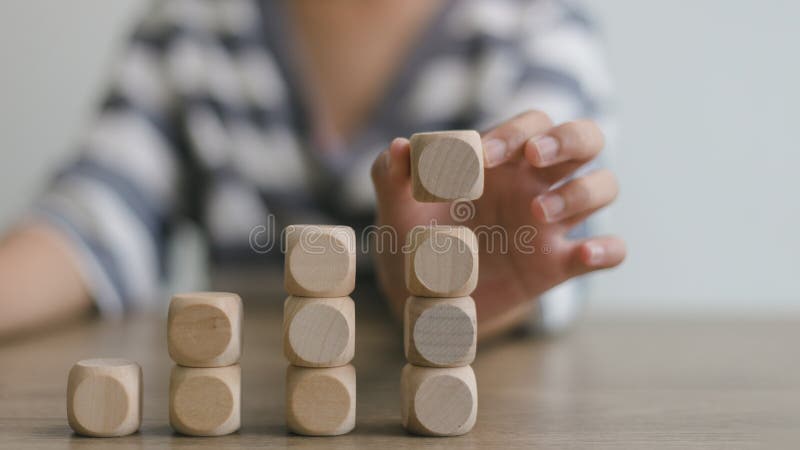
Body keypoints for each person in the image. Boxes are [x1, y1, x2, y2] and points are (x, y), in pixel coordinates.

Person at [0, 0, 625, 339]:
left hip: (473, 394)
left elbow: (545, 234)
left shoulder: (536, 27)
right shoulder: (188, 27)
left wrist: (457, 294)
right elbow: (92, 221)